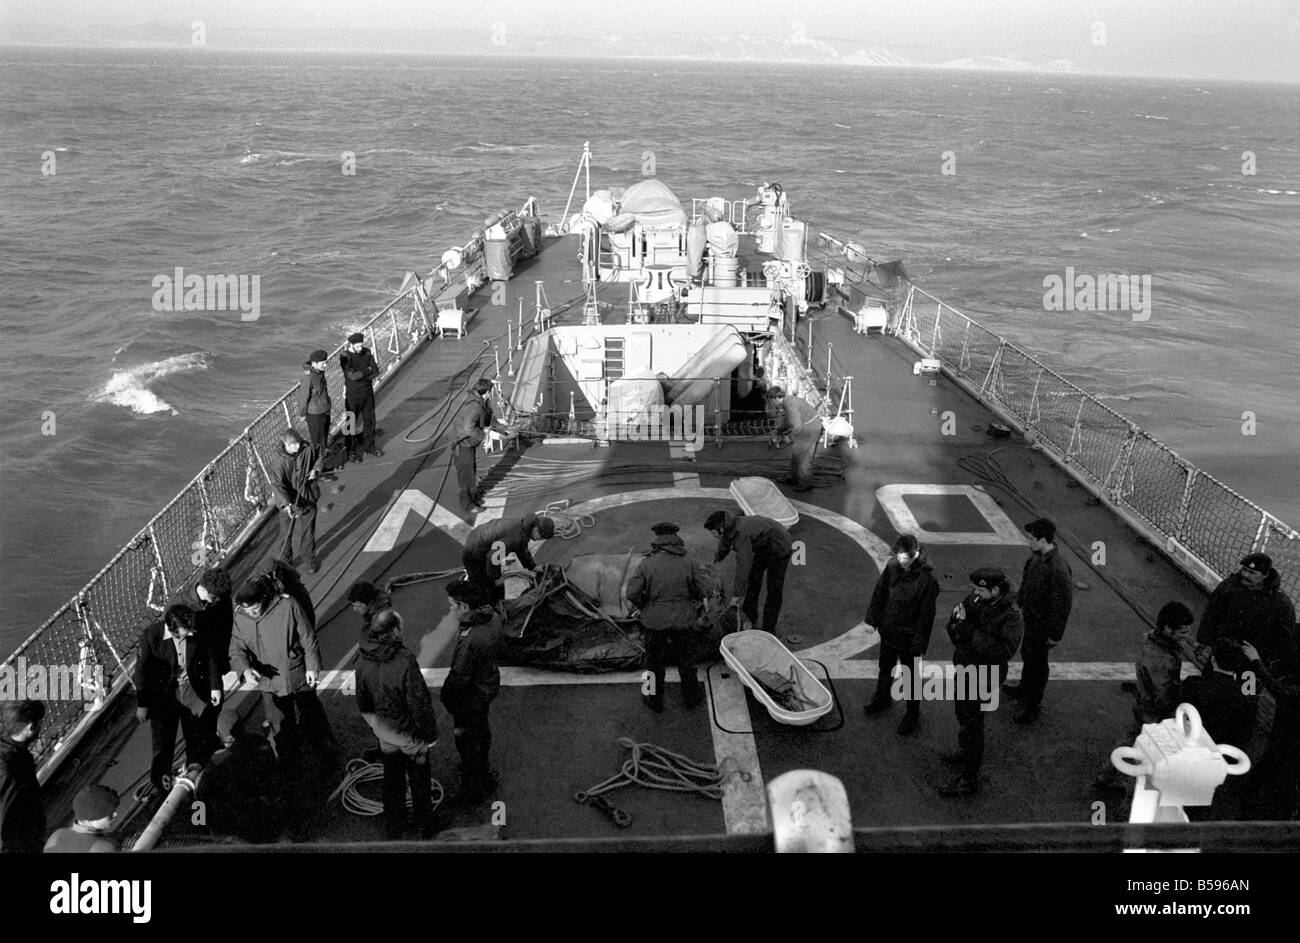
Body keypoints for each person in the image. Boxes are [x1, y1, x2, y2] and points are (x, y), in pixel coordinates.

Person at [940, 567, 1024, 798]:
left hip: (985, 675)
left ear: (995, 589)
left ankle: (969, 778)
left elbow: (1003, 650)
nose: (975, 592)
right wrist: (955, 625)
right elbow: (959, 620)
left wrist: (969, 631)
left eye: (981, 588)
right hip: (966, 667)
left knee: (973, 724)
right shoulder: (977, 598)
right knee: (962, 714)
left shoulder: (1011, 616)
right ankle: (965, 753)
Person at [356, 610, 439, 839]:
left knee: (392, 779)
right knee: (420, 780)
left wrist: (377, 726)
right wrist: (429, 735)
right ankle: (425, 824)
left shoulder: (362, 658)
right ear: (393, 631)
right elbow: (419, 703)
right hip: (410, 736)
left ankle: (394, 825)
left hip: (385, 734)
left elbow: (363, 702)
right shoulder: (404, 660)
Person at [132, 603, 223, 796]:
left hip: (192, 691)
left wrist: (215, 687)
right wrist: (142, 704)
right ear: (171, 630)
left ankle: (195, 782)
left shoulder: (196, 629)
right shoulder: (151, 636)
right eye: (183, 634)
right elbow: (141, 671)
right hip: (163, 696)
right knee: (162, 745)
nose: (189, 636)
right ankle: (162, 789)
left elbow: (210, 658)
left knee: (196, 737)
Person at [862, 534, 940, 736]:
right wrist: (873, 619)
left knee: (910, 677)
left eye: (904, 558)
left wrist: (918, 644)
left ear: (914, 555)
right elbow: (880, 592)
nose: (900, 561)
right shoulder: (893, 566)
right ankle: (882, 697)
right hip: (889, 630)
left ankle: (912, 714)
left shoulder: (927, 580)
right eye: (898, 557)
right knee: (885, 667)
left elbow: (926, 616)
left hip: (908, 637)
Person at [626, 522, 705, 712]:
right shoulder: (689, 562)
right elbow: (703, 589)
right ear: (676, 539)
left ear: (657, 540)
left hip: (654, 622)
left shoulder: (646, 563)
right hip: (684, 620)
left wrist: (646, 605)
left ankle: (653, 699)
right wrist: (688, 599)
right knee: (687, 662)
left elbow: (631, 593)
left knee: (653, 663)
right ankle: (692, 697)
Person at [440, 581, 506, 802]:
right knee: (482, 731)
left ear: (465, 606)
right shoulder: (494, 618)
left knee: (466, 740)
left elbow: (459, 676)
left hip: (471, 696)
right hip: (488, 686)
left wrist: (447, 698)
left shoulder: (470, 638)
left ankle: (473, 788)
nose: (450, 609)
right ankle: (484, 773)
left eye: (452, 605)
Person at [1006, 518, 1073, 725]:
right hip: (1031, 620)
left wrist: (1055, 635)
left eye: (1032, 538)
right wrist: (1019, 603)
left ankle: (1032, 705)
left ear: (1044, 539)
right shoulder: (1036, 558)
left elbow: (1062, 605)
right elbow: (1026, 583)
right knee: (1028, 655)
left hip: (1043, 626)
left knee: (1038, 665)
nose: (1029, 542)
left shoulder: (1058, 568)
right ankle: (1024, 689)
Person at [1198, 552, 1297, 675]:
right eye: (1244, 569)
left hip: (1251, 664)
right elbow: (1211, 614)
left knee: (1246, 693)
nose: (1245, 575)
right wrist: (1204, 641)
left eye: (1252, 573)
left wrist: (1268, 663)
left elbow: (1284, 637)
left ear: (1265, 575)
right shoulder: (1229, 586)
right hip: (1221, 655)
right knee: (1211, 686)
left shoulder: (1280, 604)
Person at [196, 711, 286, 844]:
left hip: (238, 825)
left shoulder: (218, 761)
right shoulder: (261, 743)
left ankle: (201, 833)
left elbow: (201, 794)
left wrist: (199, 825)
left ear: (219, 734)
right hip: (267, 813)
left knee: (200, 791)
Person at [704, 509, 793, 640]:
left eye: (713, 533)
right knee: (754, 581)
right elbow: (724, 542)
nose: (712, 536)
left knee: (774, 589)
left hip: (779, 545)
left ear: (721, 528)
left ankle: (769, 629)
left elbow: (743, 566)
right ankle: (750, 617)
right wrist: (717, 558)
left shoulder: (741, 535)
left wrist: (737, 595)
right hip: (763, 543)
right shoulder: (730, 527)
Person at [461, 513, 555, 603]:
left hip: (478, 537)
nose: (540, 540)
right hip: (474, 551)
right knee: (484, 585)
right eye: (542, 537)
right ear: (536, 530)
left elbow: (521, 549)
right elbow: (492, 558)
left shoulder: (523, 527)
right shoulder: (515, 537)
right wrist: (496, 578)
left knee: (489, 577)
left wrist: (532, 566)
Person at [448, 378, 510, 513]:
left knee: (471, 470)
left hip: (468, 444)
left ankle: (472, 496)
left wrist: (505, 430)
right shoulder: (475, 406)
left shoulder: (482, 403)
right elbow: (467, 429)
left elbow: (491, 420)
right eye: (490, 391)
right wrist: (483, 434)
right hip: (462, 444)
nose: (491, 394)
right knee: (466, 475)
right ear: (486, 392)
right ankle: (467, 505)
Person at [269, 429, 324, 574]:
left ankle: (308, 558)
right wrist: (286, 504)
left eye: (298, 443)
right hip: (289, 503)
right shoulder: (279, 462)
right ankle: (286, 562)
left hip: (308, 497)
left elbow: (319, 456)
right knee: (286, 533)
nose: (297, 447)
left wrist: (316, 469)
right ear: (285, 445)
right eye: (293, 444)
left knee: (308, 531)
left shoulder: (308, 448)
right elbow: (277, 485)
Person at [1133, 601, 1196, 727]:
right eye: (1183, 633)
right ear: (1168, 628)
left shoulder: (1152, 637)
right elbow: (1164, 697)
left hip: (1145, 700)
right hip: (1154, 715)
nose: (1187, 637)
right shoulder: (1162, 662)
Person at [169, 566, 235, 677]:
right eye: (215, 597)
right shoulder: (177, 606)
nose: (219, 599)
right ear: (204, 590)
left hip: (220, 654)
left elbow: (228, 625)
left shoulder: (222, 597)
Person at [0, 700, 45, 853]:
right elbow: (4, 813)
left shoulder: (8, 748)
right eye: (39, 723)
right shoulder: (10, 768)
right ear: (30, 727)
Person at [767, 386, 823, 492]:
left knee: (804, 455)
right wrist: (780, 430)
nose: (771, 404)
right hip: (808, 424)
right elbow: (789, 420)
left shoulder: (789, 404)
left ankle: (805, 482)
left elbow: (797, 427)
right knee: (797, 450)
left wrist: (788, 438)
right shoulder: (787, 402)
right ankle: (792, 475)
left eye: (771, 401)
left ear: (776, 398)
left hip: (810, 428)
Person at [340, 332, 383, 462]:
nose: (360, 349)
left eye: (361, 346)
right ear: (351, 345)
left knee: (369, 420)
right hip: (353, 395)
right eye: (357, 346)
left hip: (367, 392)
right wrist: (367, 371)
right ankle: (351, 451)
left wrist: (362, 376)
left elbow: (376, 370)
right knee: (350, 422)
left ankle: (370, 446)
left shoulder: (367, 352)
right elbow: (351, 376)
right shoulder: (345, 356)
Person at [44, 785, 119, 853]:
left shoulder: (57, 835)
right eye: (109, 814)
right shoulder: (104, 848)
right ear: (89, 820)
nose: (115, 814)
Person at [298, 348, 333, 460]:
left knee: (323, 436)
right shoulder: (309, 377)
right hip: (315, 413)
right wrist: (303, 414)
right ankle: (317, 469)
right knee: (317, 441)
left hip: (323, 410)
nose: (325, 365)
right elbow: (303, 397)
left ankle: (323, 457)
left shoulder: (318, 373)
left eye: (326, 362)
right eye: (323, 363)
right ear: (314, 363)